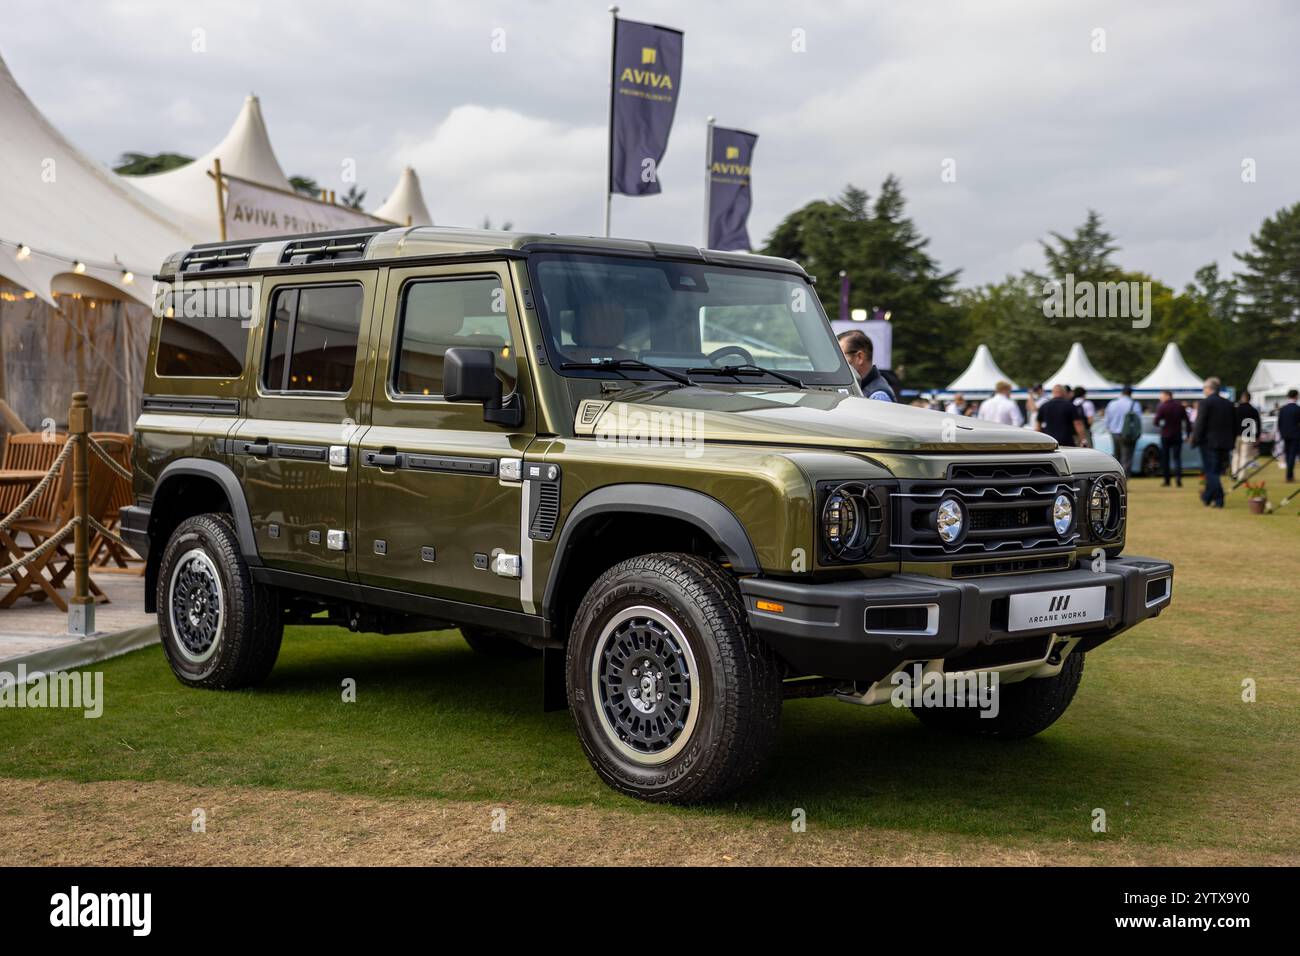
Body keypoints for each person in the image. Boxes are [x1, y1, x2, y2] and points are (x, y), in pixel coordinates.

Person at [1191, 377, 1235, 508]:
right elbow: (1234, 425)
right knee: (1215, 470)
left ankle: (1219, 497)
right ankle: (1207, 497)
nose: (1204, 390)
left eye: (1204, 388)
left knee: (1211, 472)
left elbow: (1200, 423)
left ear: (1210, 389)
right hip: (1225, 443)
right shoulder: (1228, 403)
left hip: (1209, 443)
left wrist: (1195, 439)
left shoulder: (1205, 403)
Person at [837, 329, 895, 401]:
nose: (837, 362)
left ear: (860, 357)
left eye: (840, 356)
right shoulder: (863, 388)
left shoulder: (879, 396)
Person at [1153, 388, 1191, 486]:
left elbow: (1156, 422)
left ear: (1167, 396)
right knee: (1177, 458)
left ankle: (1167, 480)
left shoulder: (1162, 407)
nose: (1160, 398)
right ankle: (1178, 479)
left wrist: (1162, 425)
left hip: (1165, 435)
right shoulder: (1180, 406)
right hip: (1177, 435)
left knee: (1166, 458)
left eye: (1162, 396)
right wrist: (1187, 434)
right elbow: (1187, 421)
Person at [1103, 386, 1140, 474]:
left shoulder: (1112, 403)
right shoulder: (1134, 404)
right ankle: (1123, 481)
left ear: (1122, 393)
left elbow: (1107, 420)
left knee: (1117, 458)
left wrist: (1109, 428)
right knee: (1127, 459)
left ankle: (1115, 480)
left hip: (1114, 433)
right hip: (1128, 434)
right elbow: (1138, 421)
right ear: (1131, 394)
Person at [1232, 390, 1262, 478]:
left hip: (1236, 435)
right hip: (1248, 434)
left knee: (1236, 454)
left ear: (1241, 398)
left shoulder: (1236, 409)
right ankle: (1242, 475)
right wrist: (1257, 436)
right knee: (1245, 456)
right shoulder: (1253, 410)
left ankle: (1234, 473)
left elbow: (1232, 423)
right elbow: (1258, 424)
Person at [1278, 389, 1300, 483]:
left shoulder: (1283, 409)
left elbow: (1280, 423)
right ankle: (1289, 476)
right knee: (1292, 455)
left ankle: (1289, 474)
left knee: (1287, 455)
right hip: (1295, 435)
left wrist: (1282, 433)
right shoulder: (1297, 408)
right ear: (1295, 396)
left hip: (1285, 434)